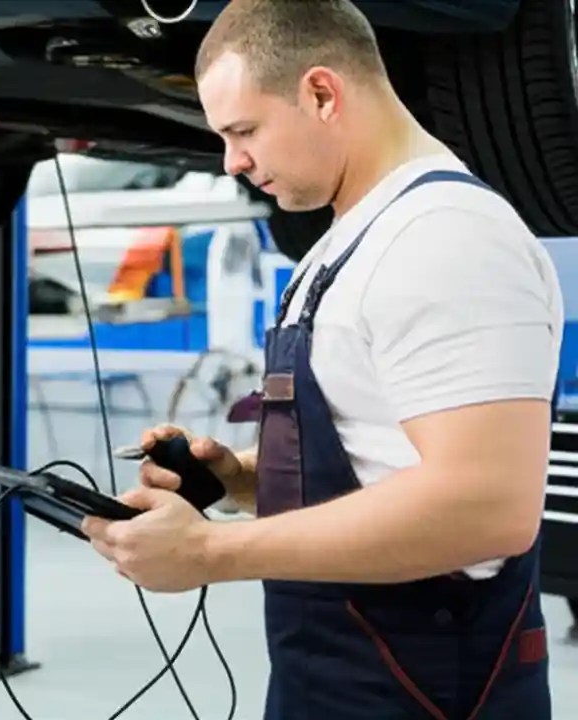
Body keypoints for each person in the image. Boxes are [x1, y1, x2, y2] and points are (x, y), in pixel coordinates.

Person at [79, 1, 562, 717]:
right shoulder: (346, 241)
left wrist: (213, 554)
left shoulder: (449, 238)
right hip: (332, 677)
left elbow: (487, 509)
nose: (231, 161)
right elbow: (375, 456)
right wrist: (240, 478)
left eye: (243, 130)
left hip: (430, 692)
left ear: (322, 93)